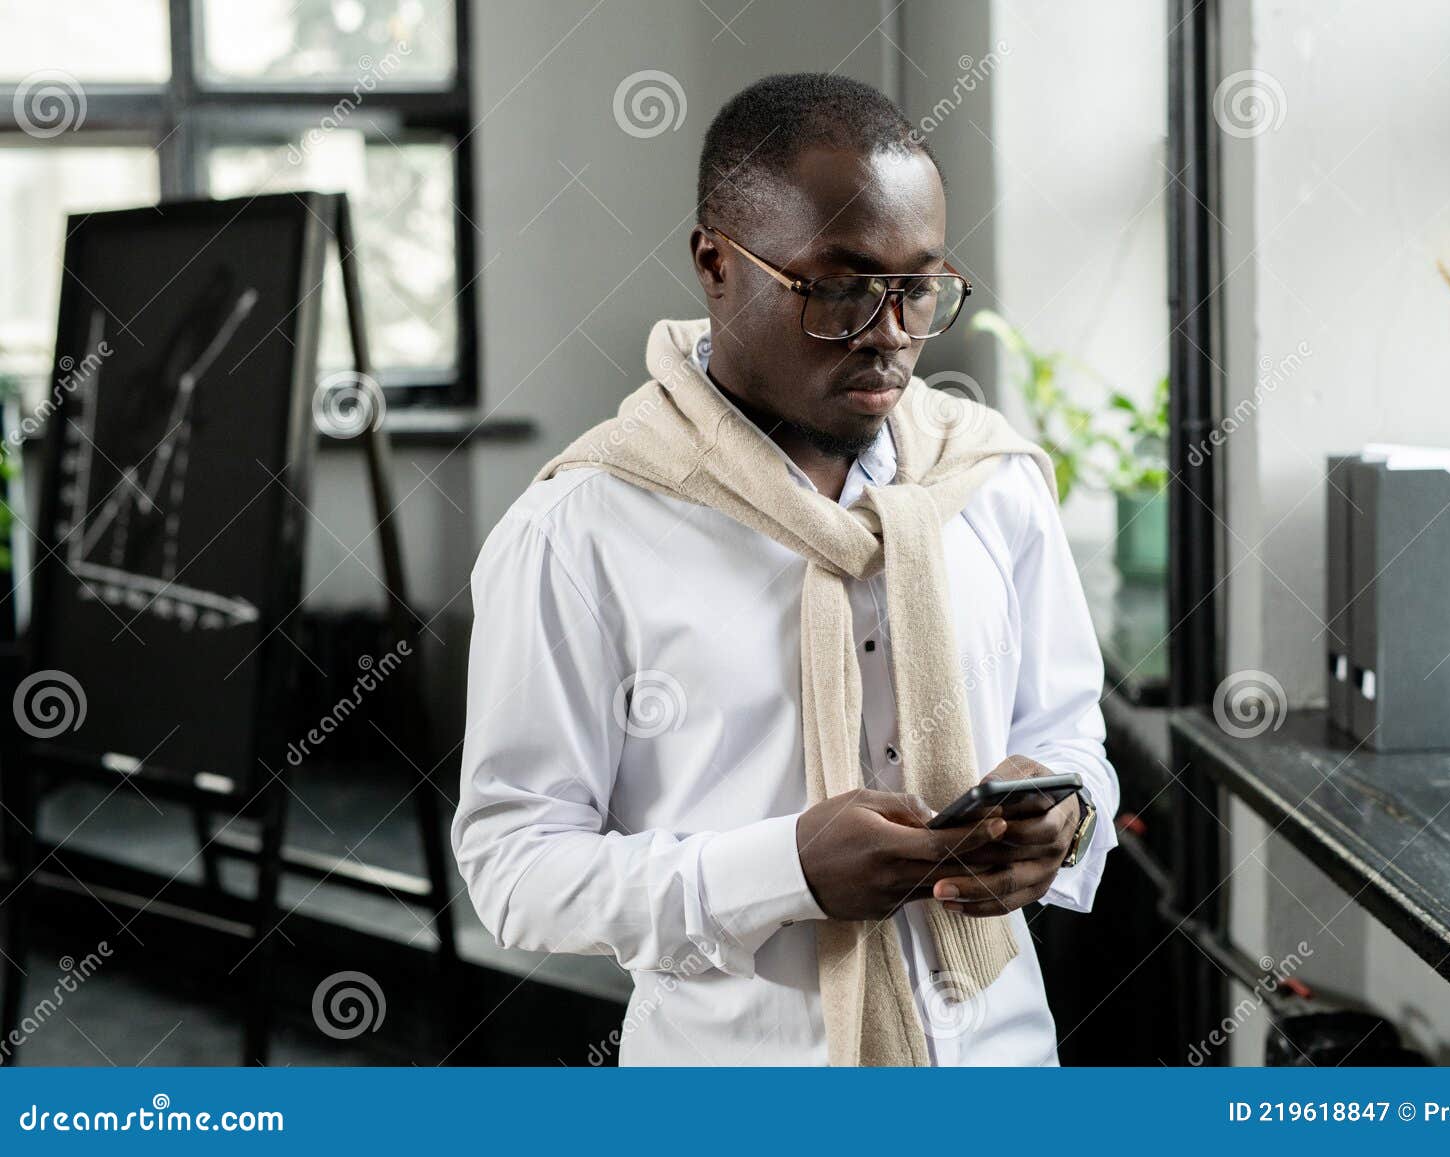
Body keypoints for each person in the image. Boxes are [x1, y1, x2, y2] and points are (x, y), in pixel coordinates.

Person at [452, 72, 1118, 1066]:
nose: (890, 332)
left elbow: (1068, 734)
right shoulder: (578, 529)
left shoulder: (991, 481)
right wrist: (782, 870)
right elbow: (513, 867)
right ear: (715, 263)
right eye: (841, 287)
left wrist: (1062, 817)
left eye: (919, 287)